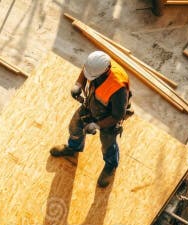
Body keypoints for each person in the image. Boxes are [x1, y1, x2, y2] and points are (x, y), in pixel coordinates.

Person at [50, 51, 132, 188]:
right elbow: (85, 71)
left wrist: (97, 125)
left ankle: (110, 166)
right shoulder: (95, 64)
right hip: (91, 104)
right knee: (75, 126)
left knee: (108, 144)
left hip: (109, 117)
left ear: (105, 70)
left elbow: (117, 115)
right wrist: (78, 85)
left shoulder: (118, 88)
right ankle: (73, 148)